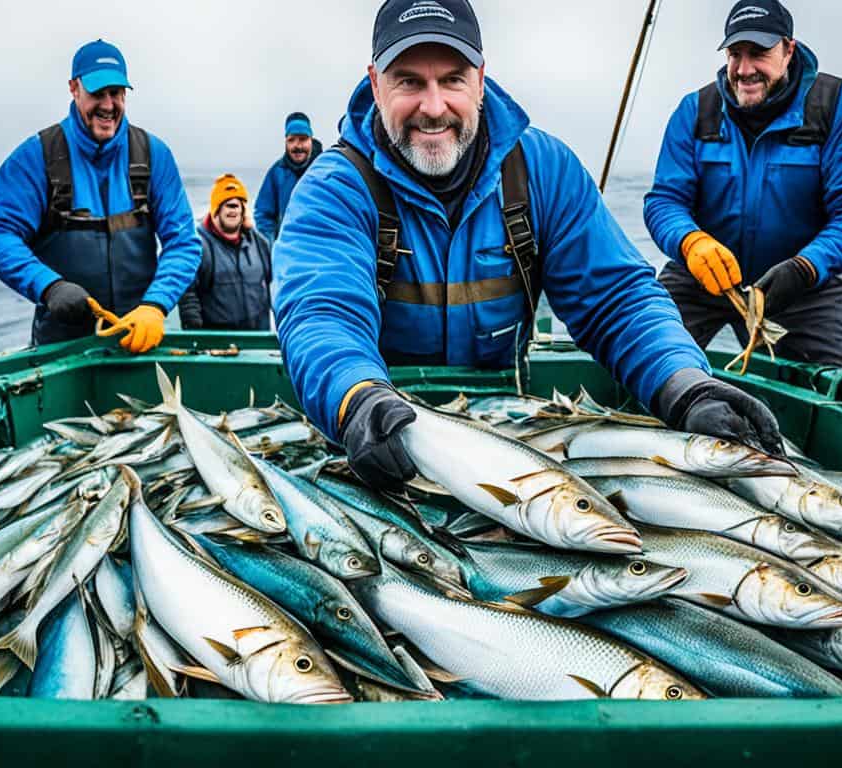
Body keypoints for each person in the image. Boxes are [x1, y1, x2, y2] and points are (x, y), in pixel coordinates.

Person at [273, 0, 785, 490]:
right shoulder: (334, 188)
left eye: (452, 80)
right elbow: (323, 313)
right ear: (375, 84)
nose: (433, 107)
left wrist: (684, 385)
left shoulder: (543, 170)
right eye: (409, 81)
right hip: (377, 443)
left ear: (479, 80)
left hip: (510, 433)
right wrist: (357, 399)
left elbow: (617, 300)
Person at [644, 0, 842, 367]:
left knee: (828, 397)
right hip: (701, 276)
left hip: (803, 288)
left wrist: (806, 267)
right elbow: (664, 200)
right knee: (636, 352)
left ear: (788, 50)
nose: (744, 70)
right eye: (735, 54)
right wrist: (690, 242)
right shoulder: (694, 111)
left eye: (758, 54)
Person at [0, 39, 202, 353]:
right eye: (98, 93)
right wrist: (48, 286)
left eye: (117, 93)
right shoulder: (36, 156)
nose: (108, 105)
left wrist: (156, 304)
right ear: (73, 88)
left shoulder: (154, 155)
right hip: (62, 344)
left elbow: (183, 242)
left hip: (141, 338)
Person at [178, 174, 273, 330]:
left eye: (237, 204)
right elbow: (188, 295)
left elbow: (274, 285)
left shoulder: (260, 243)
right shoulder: (198, 245)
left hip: (258, 343)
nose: (232, 209)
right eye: (226, 204)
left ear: (243, 210)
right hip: (218, 345)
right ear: (216, 209)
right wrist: (195, 337)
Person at [254, 112, 323, 240]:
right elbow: (263, 215)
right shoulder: (276, 173)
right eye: (291, 140)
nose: (297, 146)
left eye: (303, 139)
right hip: (288, 252)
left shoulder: (324, 170)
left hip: (320, 248)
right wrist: (272, 246)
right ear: (286, 142)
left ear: (311, 140)